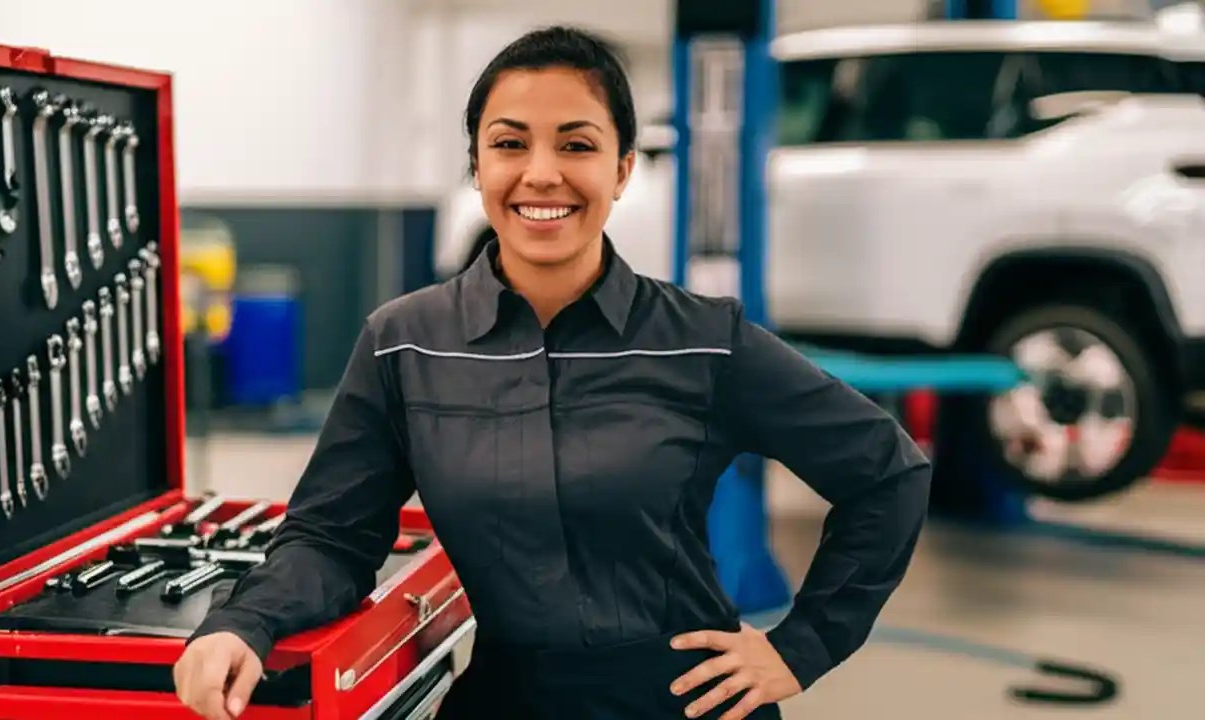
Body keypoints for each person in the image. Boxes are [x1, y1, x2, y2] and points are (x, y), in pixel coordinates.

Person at [174, 26, 932, 720]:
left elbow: (886, 472)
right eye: (510, 144)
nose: (542, 175)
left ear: (622, 169)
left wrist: (799, 648)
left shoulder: (702, 342)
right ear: (478, 165)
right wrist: (245, 622)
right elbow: (331, 537)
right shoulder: (405, 345)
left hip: (684, 704)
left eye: (576, 145)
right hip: (508, 698)